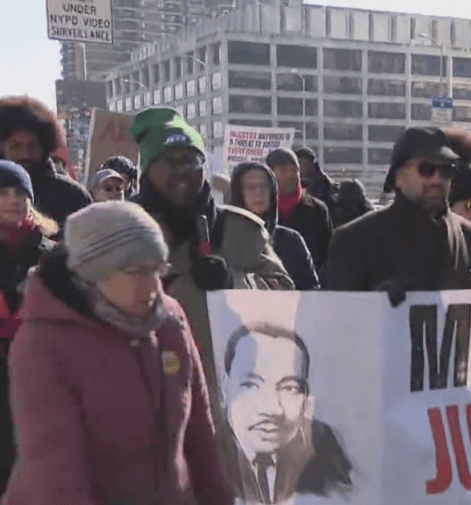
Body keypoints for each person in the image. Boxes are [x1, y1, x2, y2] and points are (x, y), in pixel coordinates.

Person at [2, 201, 233, 505]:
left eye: (157, 269)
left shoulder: (169, 321)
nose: (154, 286)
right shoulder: (44, 342)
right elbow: (55, 472)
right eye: (138, 272)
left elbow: (201, 435)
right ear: (95, 273)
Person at [129, 108, 293, 427]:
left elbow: (285, 294)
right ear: (148, 171)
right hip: (147, 391)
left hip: (228, 395)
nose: (182, 172)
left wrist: (233, 280)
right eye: (169, 162)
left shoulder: (239, 229)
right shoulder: (123, 229)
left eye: (191, 161)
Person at [325, 127, 471, 303]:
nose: (437, 179)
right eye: (426, 169)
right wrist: (371, 303)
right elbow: (335, 320)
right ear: (398, 177)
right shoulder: (353, 239)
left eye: (446, 170)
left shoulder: (470, 238)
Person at [221, 323, 352, 504]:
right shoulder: (202, 447)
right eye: (251, 385)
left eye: (289, 388)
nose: (273, 409)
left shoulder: (323, 445)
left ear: (305, 397)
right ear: (225, 387)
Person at [0, 161, 57, 494]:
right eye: (3, 192)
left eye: (20, 193)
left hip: (39, 382)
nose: (12, 200)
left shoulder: (52, 256)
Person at [0, 96, 91, 234]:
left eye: (32, 146)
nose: (26, 154)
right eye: (16, 146)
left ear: (45, 146)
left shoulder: (72, 195)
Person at [230, 161, 319, 290]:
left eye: (264, 186)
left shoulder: (291, 240)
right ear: (239, 193)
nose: (258, 192)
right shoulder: (225, 240)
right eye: (251, 187)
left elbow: (311, 291)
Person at [266, 148, 333, 275]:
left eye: (294, 170)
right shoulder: (261, 209)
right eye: (283, 171)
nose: (291, 175)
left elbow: (328, 255)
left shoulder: (318, 209)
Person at [294, 147, 338, 217]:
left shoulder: (324, 181)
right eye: (300, 163)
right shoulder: (291, 179)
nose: (303, 166)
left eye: (305, 163)